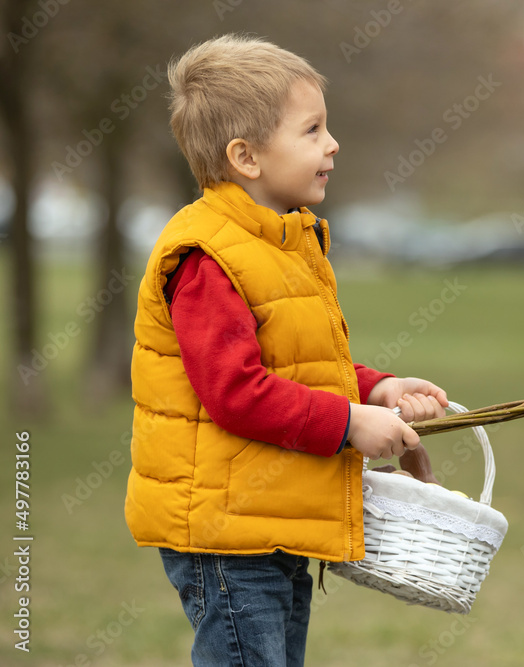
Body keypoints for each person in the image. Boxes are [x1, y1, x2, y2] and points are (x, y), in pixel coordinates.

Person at [124, 34, 448, 666]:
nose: (332, 145)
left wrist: (375, 388)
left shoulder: (284, 242)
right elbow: (237, 393)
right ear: (246, 156)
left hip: (269, 522)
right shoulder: (207, 256)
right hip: (226, 533)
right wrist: (350, 423)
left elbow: (296, 365)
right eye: (312, 130)